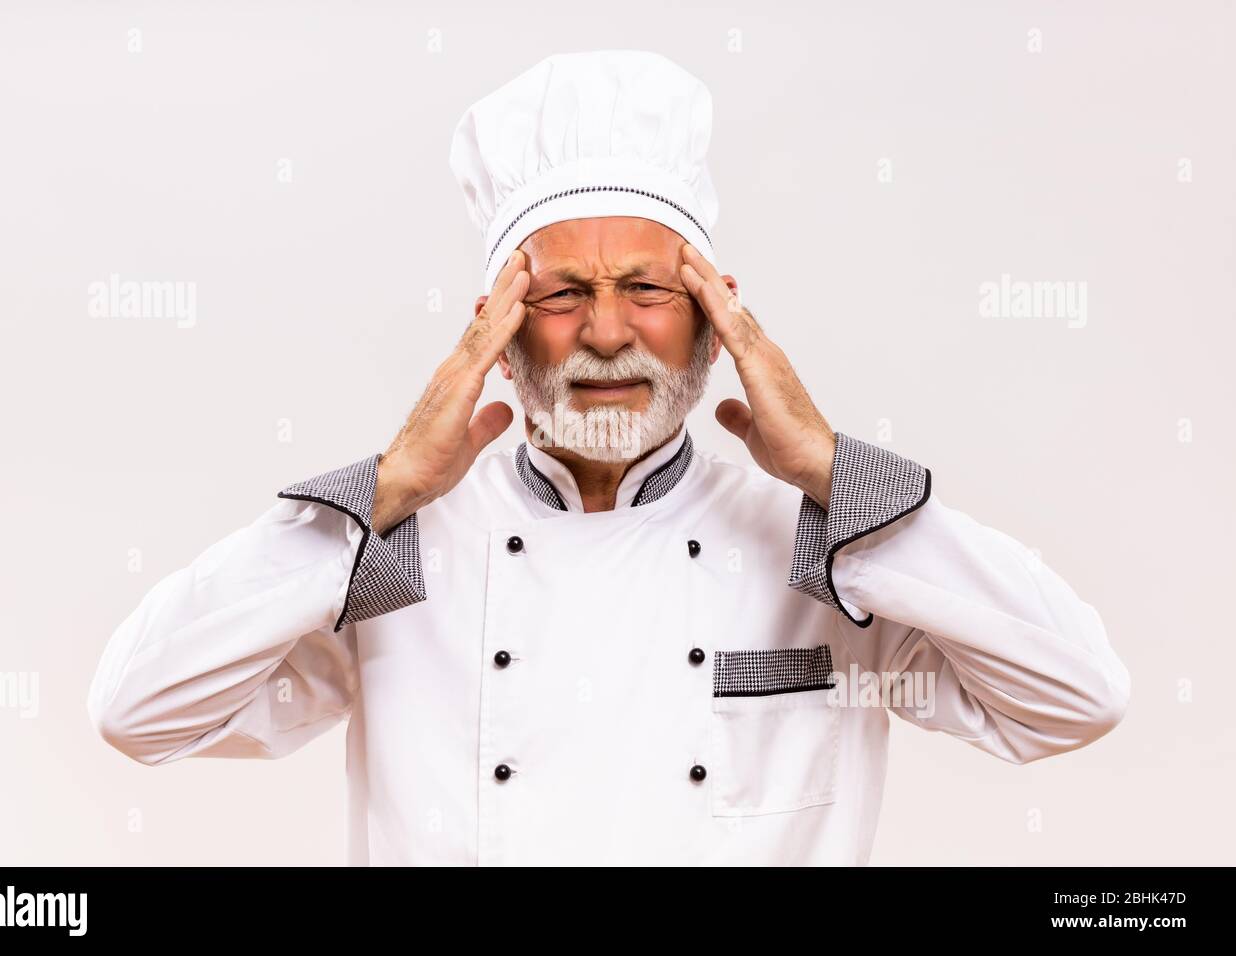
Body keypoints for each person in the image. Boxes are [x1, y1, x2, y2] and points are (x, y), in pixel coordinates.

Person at [88, 50, 1129, 865]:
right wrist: (383, 492)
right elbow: (138, 710)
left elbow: (1077, 695)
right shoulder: (396, 558)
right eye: (559, 295)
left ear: (715, 325)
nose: (604, 333)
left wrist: (833, 473)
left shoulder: (832, 547)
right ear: (495, 331)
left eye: (647, 289)